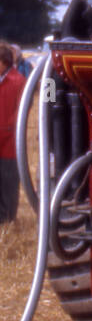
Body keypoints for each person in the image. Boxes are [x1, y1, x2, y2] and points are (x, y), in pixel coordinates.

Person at [0, 44, 24, 224]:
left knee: (8, 179)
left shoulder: (18, 81)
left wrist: (9, 129)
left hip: (9, 140)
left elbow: (22, 111)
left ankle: (8, 217)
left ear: (4, 62)